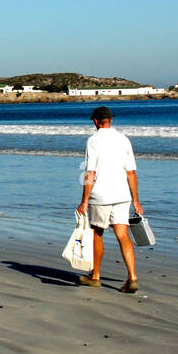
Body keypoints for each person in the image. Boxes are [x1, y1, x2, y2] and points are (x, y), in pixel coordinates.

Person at [75, 106, 142, 293]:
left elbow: (90, 173)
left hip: (100, 195)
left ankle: (95, 276)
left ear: (96, 121)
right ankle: (132, 277)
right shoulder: (124, 140)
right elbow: (131, 173)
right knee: (122, 234)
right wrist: (136, 200)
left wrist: (84, 200)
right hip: (122, 195)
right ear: (110, 120)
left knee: (97, 233)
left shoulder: (93, 140)